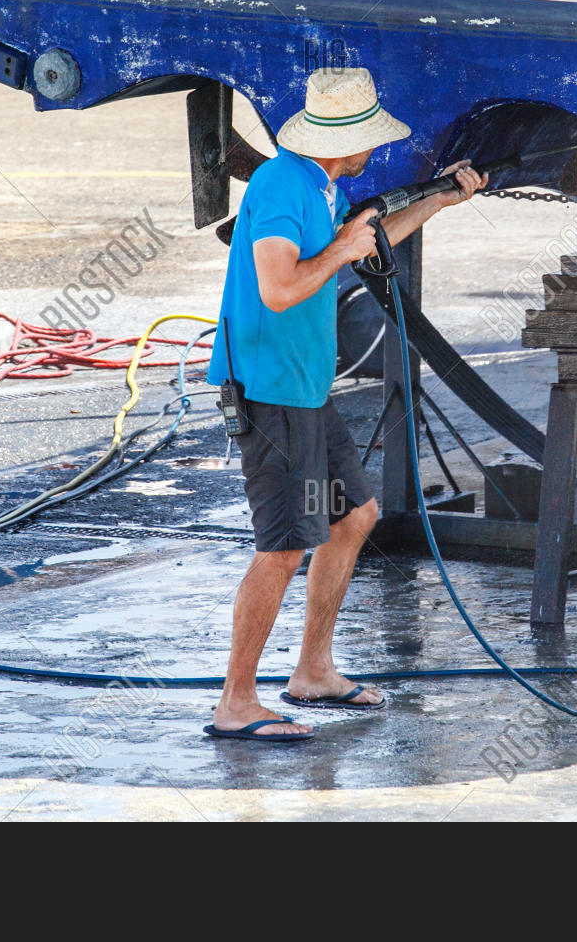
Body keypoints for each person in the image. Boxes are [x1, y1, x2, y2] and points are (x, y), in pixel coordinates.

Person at [203, 67, 487, 741]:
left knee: (354, 515)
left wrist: (441, 200)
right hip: (268, 392)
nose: (375, 152)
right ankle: (235, 702)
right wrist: (340, 247)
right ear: (349, 140)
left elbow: (370, 239)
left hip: (302, 387)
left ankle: (312, 670)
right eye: (369, 140)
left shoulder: (317, 184)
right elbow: (278, 288)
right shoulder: (279, 187)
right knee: (282, 547)